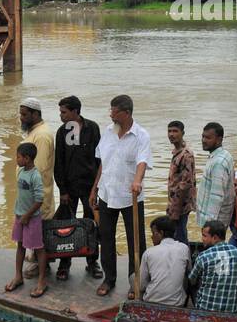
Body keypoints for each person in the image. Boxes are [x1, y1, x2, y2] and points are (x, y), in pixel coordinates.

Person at [90, 95, 153, 300]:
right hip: (107, 193)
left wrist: (137, 180)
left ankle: (135, 282)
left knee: (136, 240)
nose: (110, 114)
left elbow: (142, 161)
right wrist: (94, 189)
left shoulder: (141, 135)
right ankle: (109, 279)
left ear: (126, 113)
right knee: (106, 238)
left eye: (114, 111)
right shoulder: (108, 132)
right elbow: (103, 163)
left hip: (130, 196)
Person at [55, 95, 101, 281]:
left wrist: (97, 188)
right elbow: (59, 163)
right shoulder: (62, 132)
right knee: (66, 227)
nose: (61, 116)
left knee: (91, 225)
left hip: (89, 186)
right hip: (70, 187)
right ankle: (64, 263)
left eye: (64, 112)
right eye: (60, 112)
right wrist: (63, 190)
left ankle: (92, 261)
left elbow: (99, 159)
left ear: (75, 111)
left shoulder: (92, 128)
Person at [19, 97, 56, 280]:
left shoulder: (41, 135)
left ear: (35, 114)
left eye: (24, 114)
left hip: (37, 197)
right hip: (29, 196)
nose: (21, 118)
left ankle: (43, 267)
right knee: (35, 231)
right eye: (20, 113)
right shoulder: (35, 132)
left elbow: (37, 170)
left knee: (39, 233)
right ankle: (39, 263)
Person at [5, 141, 49, 298]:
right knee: (20, 246)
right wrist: (19, 214)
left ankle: (42, 280)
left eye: (18, 157)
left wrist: (27, 216)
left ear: (27, 158)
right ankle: (18, 276)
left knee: (38, 248)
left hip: (31, 219)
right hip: (20, 216)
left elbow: (39, 200)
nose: (16, 159)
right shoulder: (21, 171)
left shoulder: (35, 176)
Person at [185, 220, 237, 313]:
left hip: (206, 308)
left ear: (215, 238)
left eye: (204, 236)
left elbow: (192, 280)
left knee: (190, 279)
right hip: (233, 309)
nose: (202, 239)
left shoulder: (204, 256)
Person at [139, 215, 191, 306]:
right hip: (177, 303)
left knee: (133, 277)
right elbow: (189, 272)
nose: (152, 237)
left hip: (151, 300)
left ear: (161, 233)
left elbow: (142, 285)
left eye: (153, 233)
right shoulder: (184, 248)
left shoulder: (149, 252)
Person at [196, 122, 235, 230]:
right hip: (215, 221)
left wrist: (210, 226)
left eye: (208, 138)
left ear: (219, 139)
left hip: (214, 223)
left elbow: (216, 197)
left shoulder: (218, 163)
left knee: (214, 246)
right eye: (203, 136)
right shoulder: (224, 155)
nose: (203, 140)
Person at [165, 120, 196, 245]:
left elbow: (186, 184)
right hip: (174, 202)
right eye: (169, 131)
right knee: (177, 235)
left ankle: (184, 263)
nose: (171, 134)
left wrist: (176, 210)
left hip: (180, 205)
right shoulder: (176, 152)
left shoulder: (186, 155)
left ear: (182, 133)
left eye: (175, 131)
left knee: (180, 237)